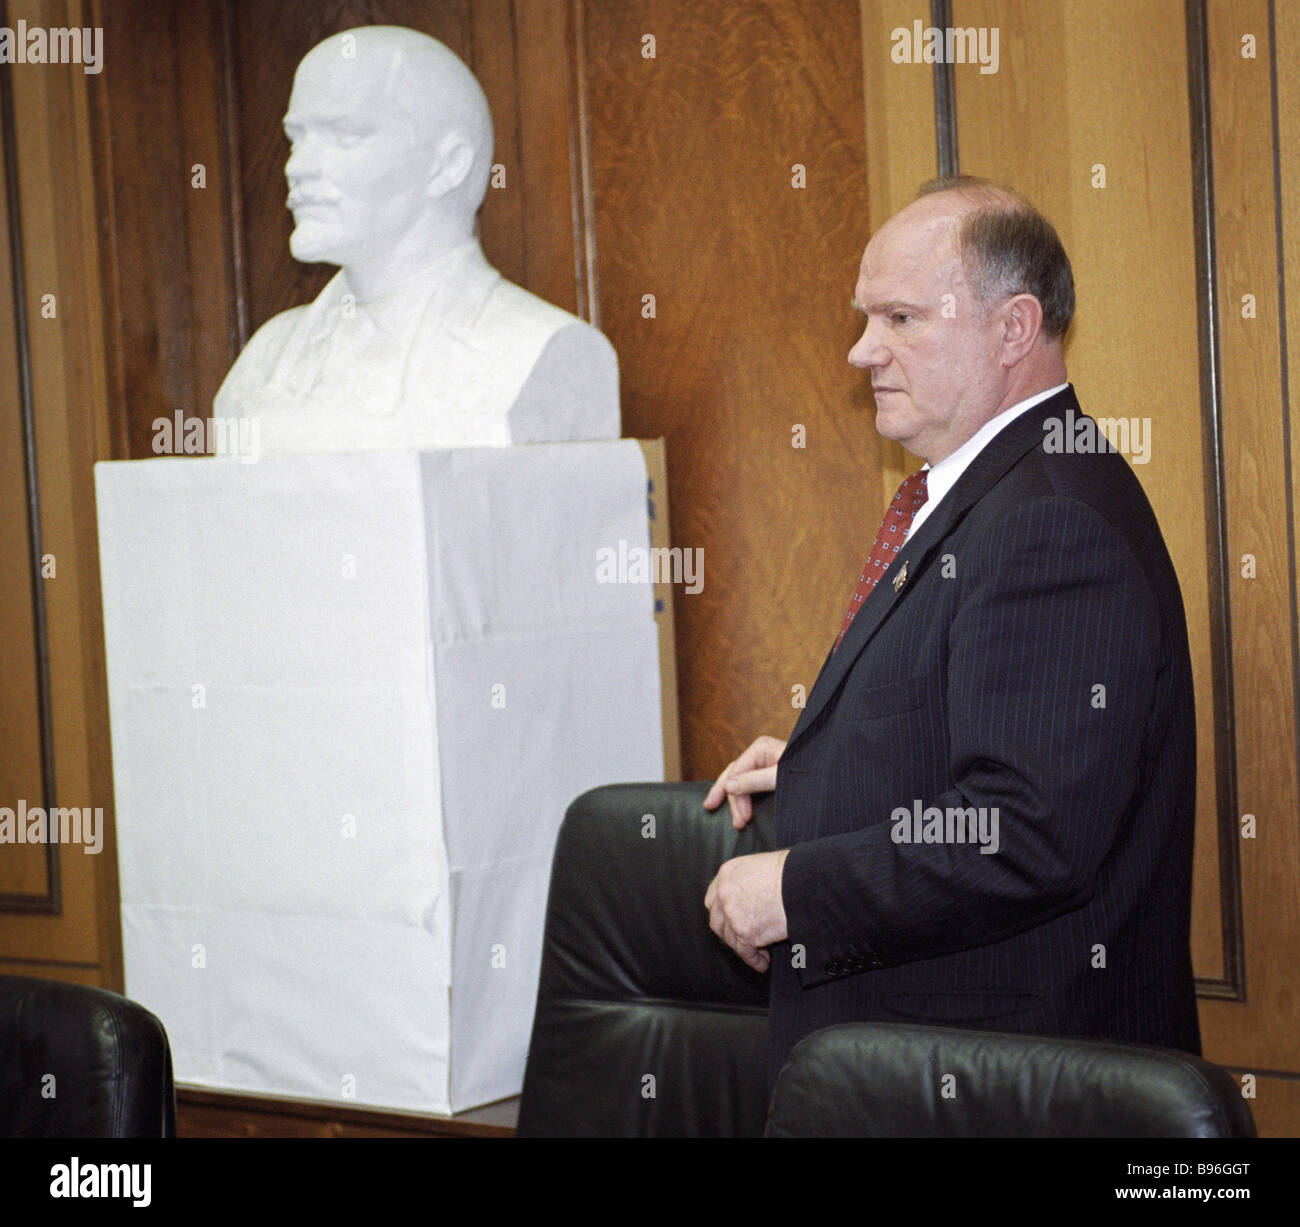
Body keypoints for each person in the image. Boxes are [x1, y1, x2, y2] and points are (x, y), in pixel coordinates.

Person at [703, 177, 1201, 1085]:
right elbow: (994, 734)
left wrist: (789, 887)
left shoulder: (1050, 518)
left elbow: (1026, 831)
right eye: (864, 319)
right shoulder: (1003, 489)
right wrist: (827, 759)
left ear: (1013, 329)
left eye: (899, 319)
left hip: (1003, 1081)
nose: (861, 351)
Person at [214, 25, 618, 453]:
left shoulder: (545, 351)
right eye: (296, 139)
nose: (297, 167)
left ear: (448, 165)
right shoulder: (265, 360)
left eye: (345, 136)